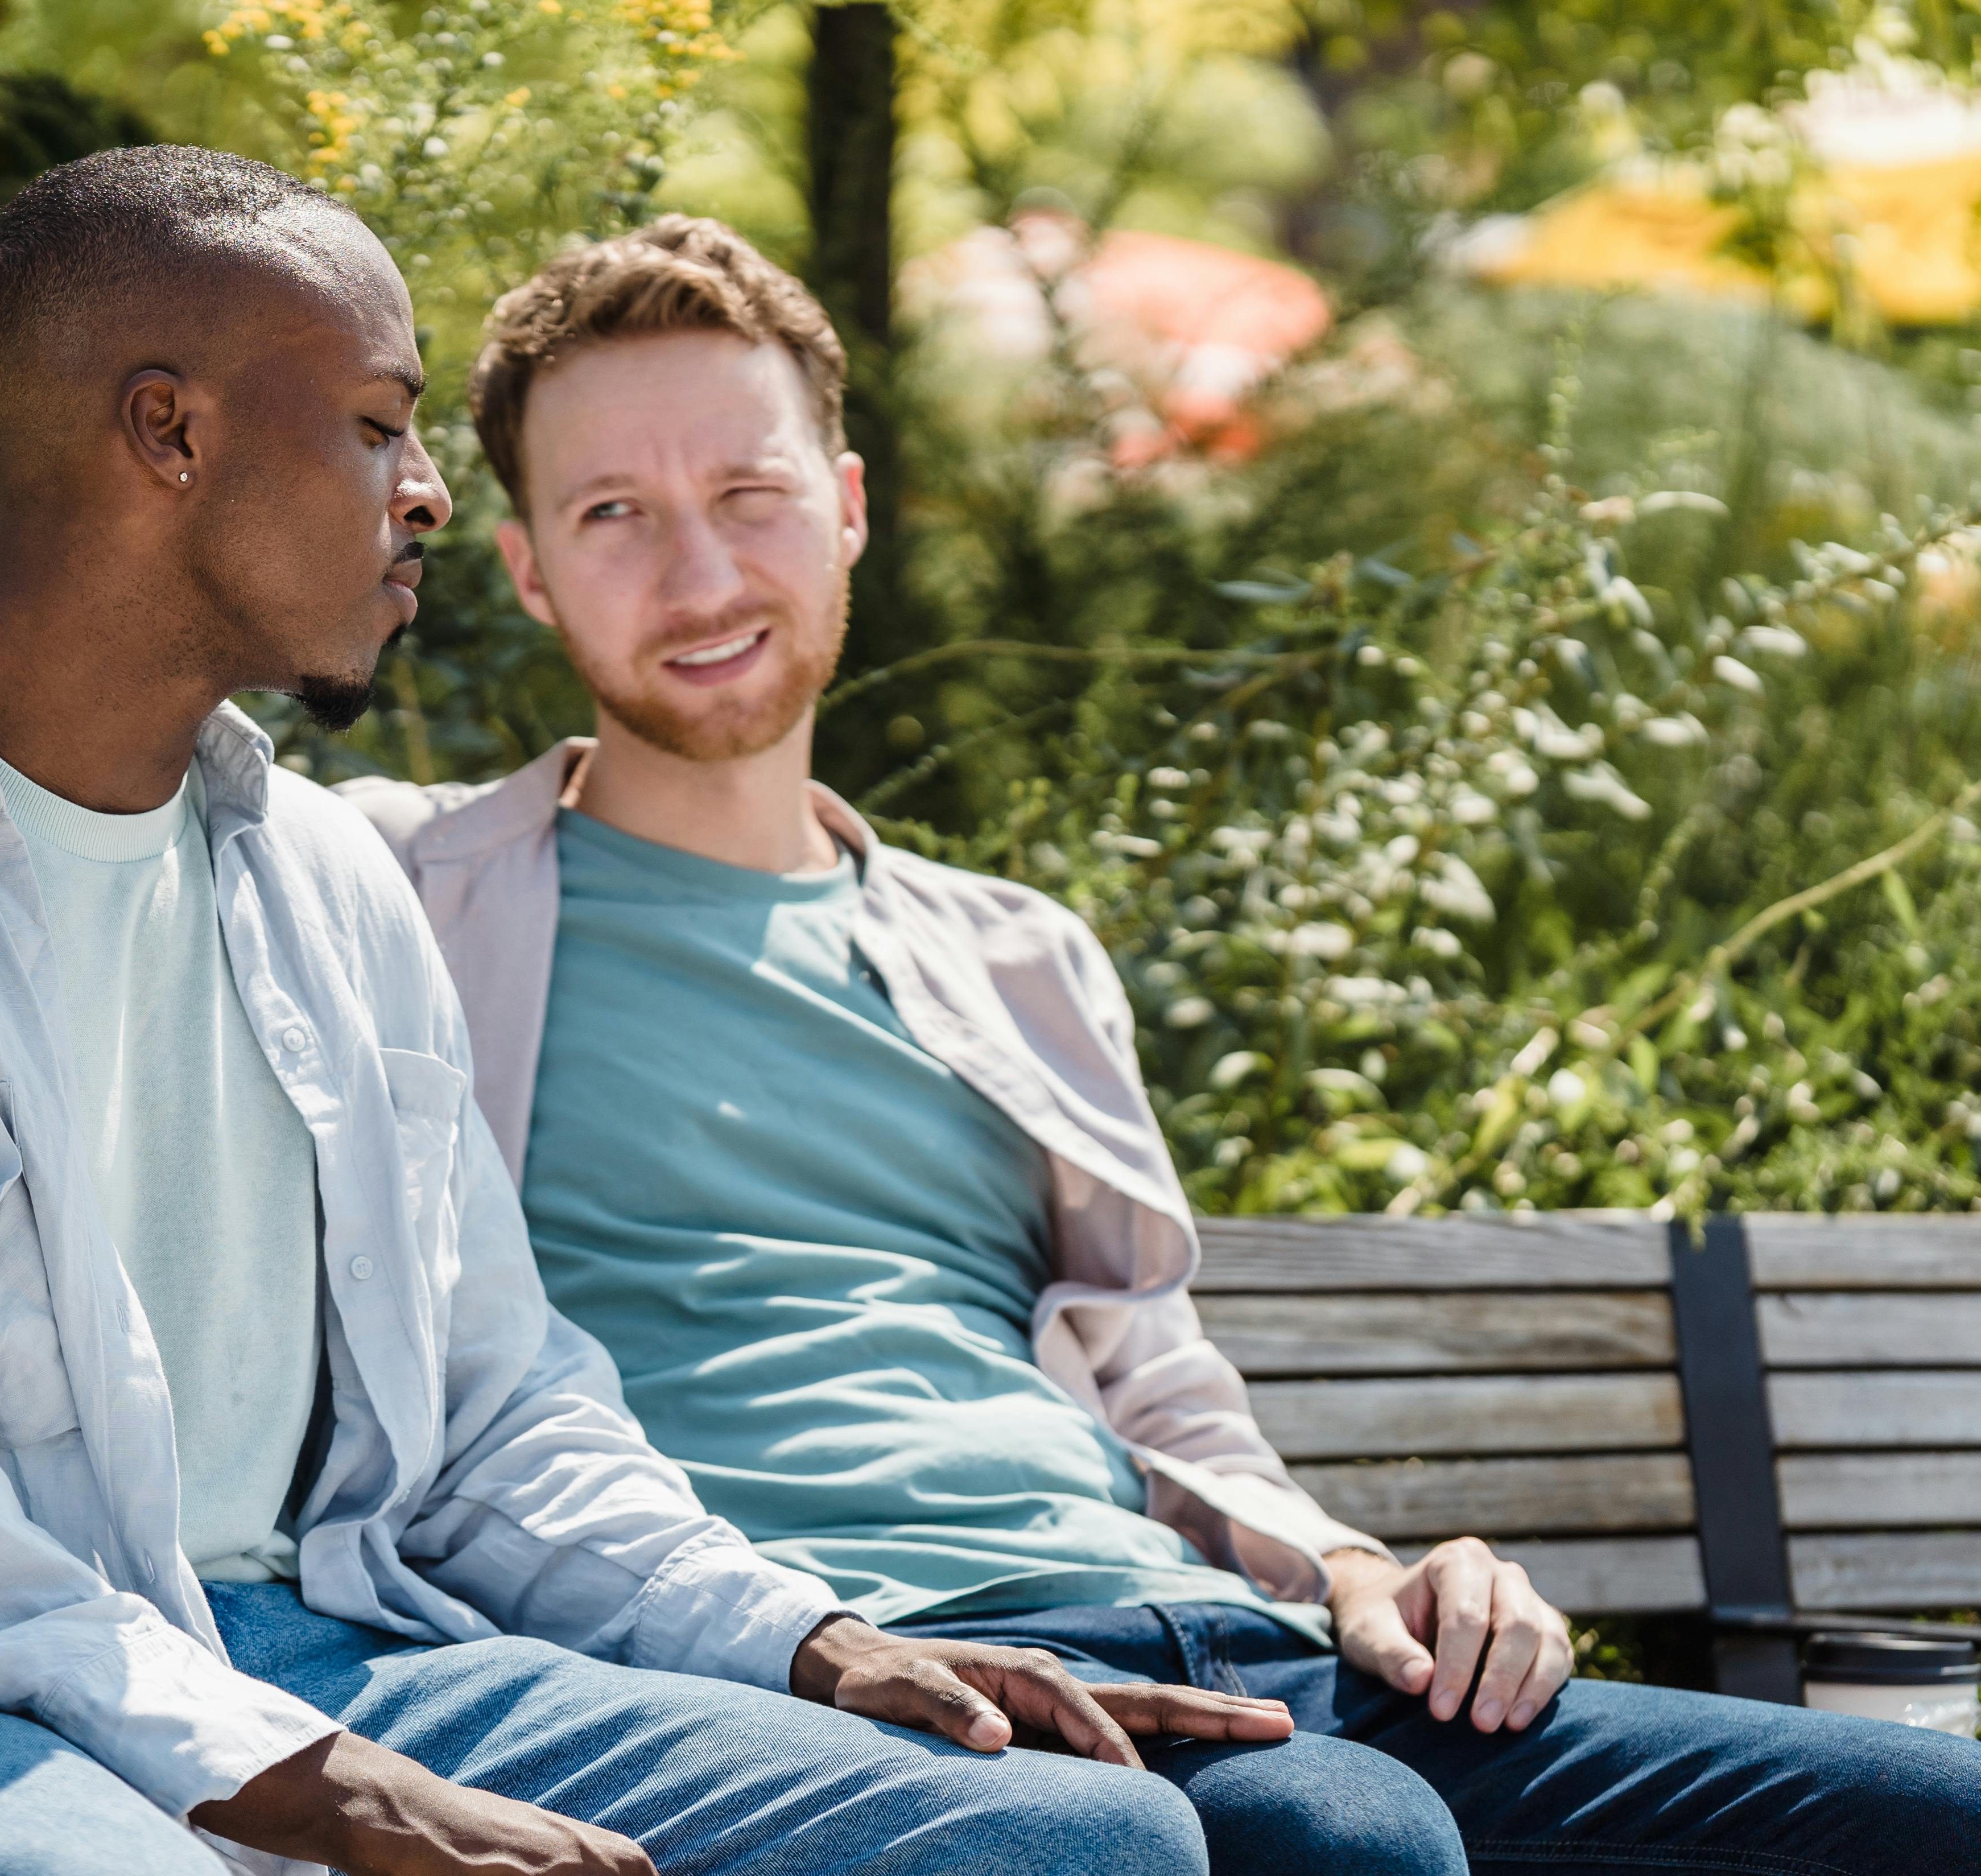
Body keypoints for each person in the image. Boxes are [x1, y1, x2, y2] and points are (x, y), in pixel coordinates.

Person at [0, 149, 1306, 1876]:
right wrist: (317, 1791)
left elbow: (496, 1413)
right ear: (168, 432)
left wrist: (807, 1644)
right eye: (376, 422)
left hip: (325, 1648)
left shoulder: (319, 878)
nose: (429, 486)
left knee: (1073, 1842)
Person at [342, 212, 1981, 1876]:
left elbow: (1160, 1385)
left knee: (1942, 1818)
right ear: (531, 567)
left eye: (750, 494)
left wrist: (1357, 1566)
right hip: (837, 1685)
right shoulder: (394, 898)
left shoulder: (1015, 958)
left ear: (846, 508)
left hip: (1211, 1632)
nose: (700, 576)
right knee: (1341, 1842)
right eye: (614, 514)